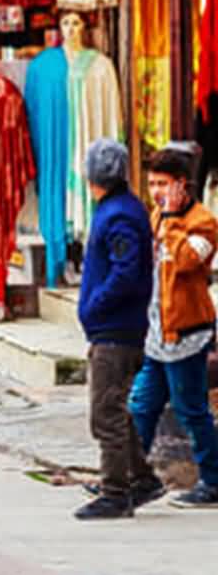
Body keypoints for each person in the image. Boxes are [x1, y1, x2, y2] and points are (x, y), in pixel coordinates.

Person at [129, 144, 218, 508]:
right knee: (140, 406)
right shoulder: (157, 218)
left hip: (187, 334)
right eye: (152, 184)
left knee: (191, 409)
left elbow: (186, 261)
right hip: (157, 334)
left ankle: (212, 481)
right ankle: (129, 478)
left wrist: (170, 221)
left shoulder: (203, 222)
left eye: (163, 184)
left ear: (182, 185)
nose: (156, 192)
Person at [75, 137, 156, 521]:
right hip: (114, 326)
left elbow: (126, 272)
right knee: (117, 409)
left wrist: (96, 305)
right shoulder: (117, 208)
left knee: (104, 411)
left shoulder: (119, 215)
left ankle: (115, 491)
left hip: (116, 330)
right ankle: (142, 477)